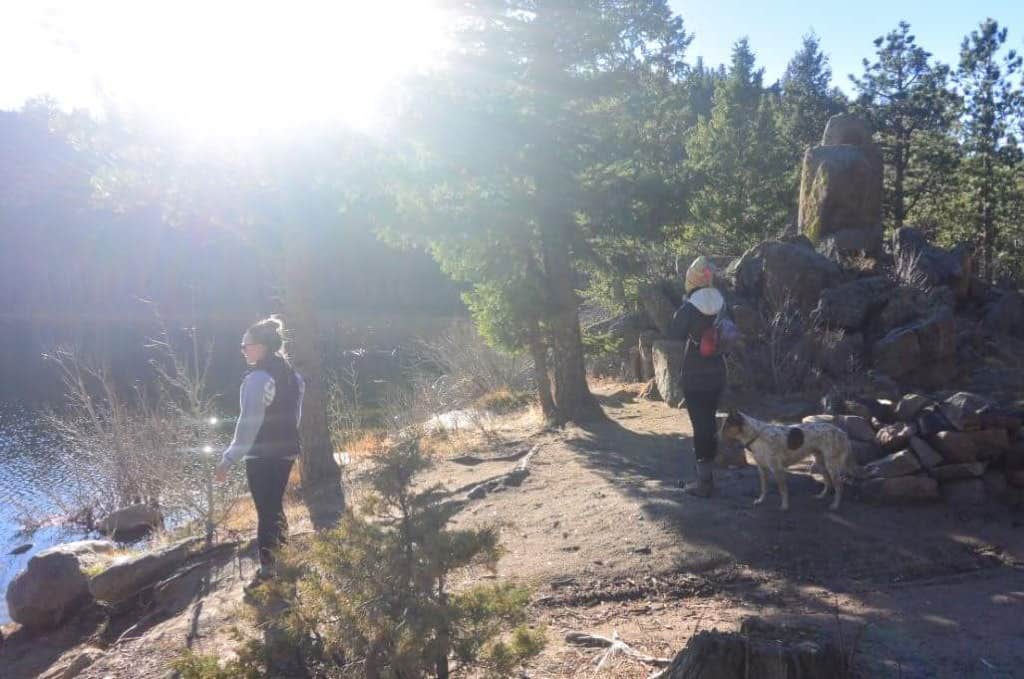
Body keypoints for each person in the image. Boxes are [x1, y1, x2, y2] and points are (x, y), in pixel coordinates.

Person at [215, 316, 304, 587]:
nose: (243, 350)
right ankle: (284, 557)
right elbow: (295, 417)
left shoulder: (258, 379)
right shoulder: (293, 376)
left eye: (246, 345)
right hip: (287, 450)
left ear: (262, 346)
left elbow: (248, 425)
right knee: (274, 505)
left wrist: (228, 458)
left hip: (262, 455)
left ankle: (268, 569)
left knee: (266, 509)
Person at [668, 256, 727, 497]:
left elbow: (674, 332)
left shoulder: (690, 306)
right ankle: (709, 476)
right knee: (710, 422)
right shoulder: (722, 301)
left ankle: (704, 482)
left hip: (694, 373)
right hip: (718, 372)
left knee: (700, 426)